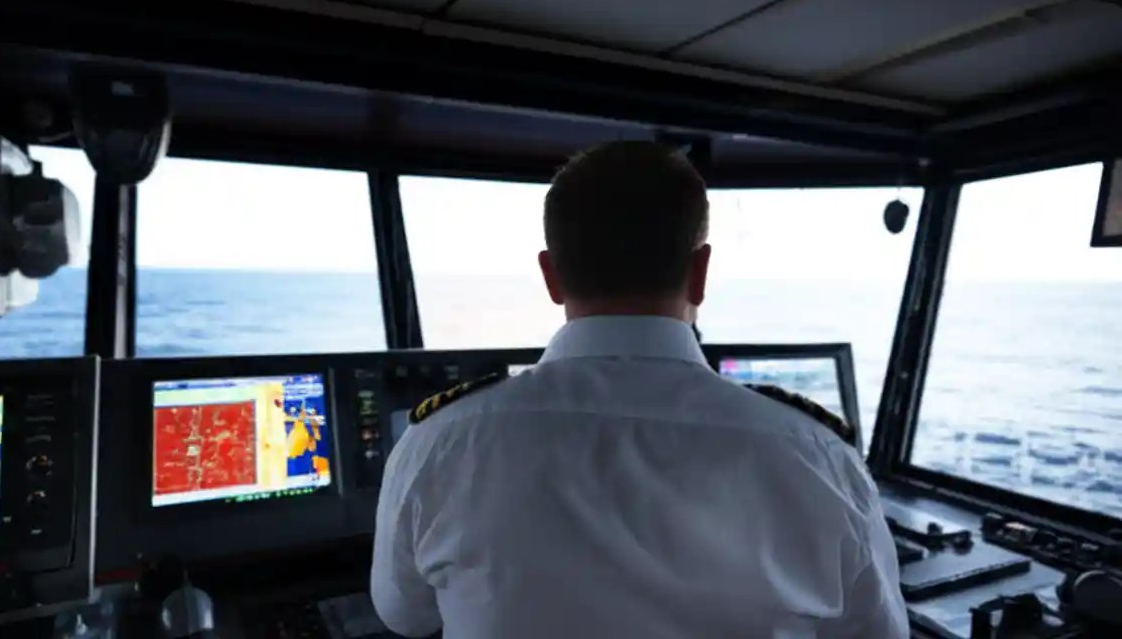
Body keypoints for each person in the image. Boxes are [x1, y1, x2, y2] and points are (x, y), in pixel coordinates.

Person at [371, 141, 908, 638]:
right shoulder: (820, 458)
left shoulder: (437, 444)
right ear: (699, 273)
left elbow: (405, 616)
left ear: (551, 276)